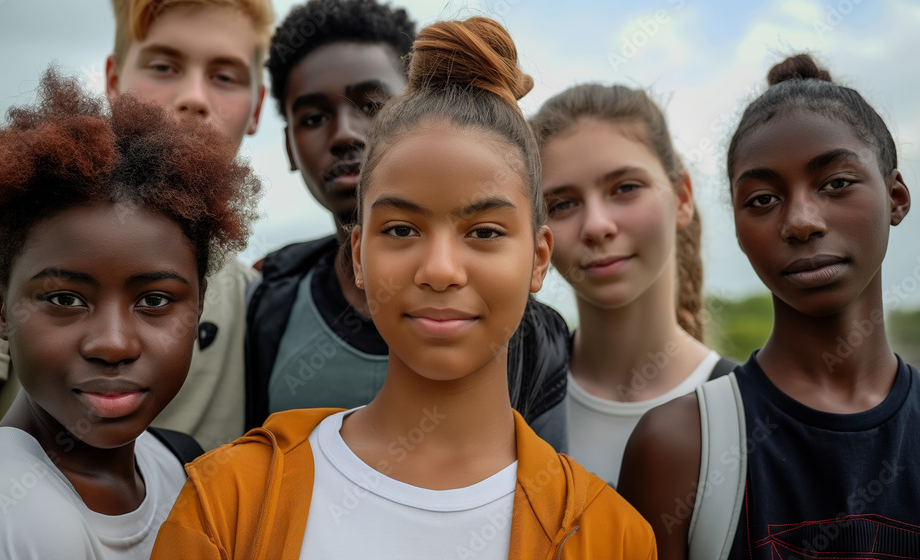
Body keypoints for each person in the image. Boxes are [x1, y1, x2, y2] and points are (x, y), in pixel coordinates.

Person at [152, 17, 656, 558]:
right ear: (360, 255)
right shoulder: (227, 500)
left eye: (484, 232)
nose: (440, 270)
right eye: (401, 229)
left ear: (538, 260)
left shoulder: (609, 535)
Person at [0, 0, 273, 478]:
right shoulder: (13, 230)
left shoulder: (254, 293)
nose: (194, 97)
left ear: (257, 107)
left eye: (225, 76)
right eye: (163, 66)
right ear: (113, 81)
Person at [619, 54, 920, 560]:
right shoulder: (680, 447)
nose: (801, 222)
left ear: (896, 197)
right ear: (741, 228)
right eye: (763, 199)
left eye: (836, 183)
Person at [247, 0, 570, 450]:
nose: (344, 133)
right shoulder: (266, 295)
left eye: (374, 106)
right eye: (314, 117)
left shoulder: (531, 332)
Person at [528, 84, 736, 486]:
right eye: (562, 204)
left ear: (682, 198)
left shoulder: (749, 412)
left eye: (625, 188)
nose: (597, 226)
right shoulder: (509, 405)